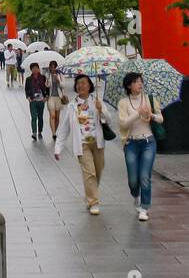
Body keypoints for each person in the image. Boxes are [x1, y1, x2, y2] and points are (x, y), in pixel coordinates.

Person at [53, 74, 109, 214]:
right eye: (78, 83)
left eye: (83, 83)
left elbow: (108, 120)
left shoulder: (97, 101)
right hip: (82, 145)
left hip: (97, 143)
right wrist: (58, 148)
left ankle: (90, 194)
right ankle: (93, 202)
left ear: (90, 86)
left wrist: (101, 110)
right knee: (89, 173)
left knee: (98, 172)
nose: (80, 86)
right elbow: (64, 128)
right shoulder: (72, 106)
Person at [117, 72, 163, 221]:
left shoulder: (150, 99)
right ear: (129, 85)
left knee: (145, 176)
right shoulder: (123, 103)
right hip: (131, 143)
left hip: (148, 142)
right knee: (133, 180)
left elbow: (161, 119)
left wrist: (152, 115)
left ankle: (144, 208)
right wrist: (138, 113)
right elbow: (123, 123)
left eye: (141, 81)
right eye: (136, 82)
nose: (140, 84)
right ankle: (135, 195)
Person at [24, 62, 49, 142]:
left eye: (36, 68)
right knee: (34, 117)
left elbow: (47, 88)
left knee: (40, 117)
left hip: (41, 100)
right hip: (33, 101)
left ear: (38, 68)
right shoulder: (28, 79)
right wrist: (28, 97)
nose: (35, 70)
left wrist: (46, 97)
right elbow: (26, 89)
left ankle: (40, 131)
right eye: (33, 68)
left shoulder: (43, 77)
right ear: (31, 70)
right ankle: (34, 133)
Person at [46, 60, 66, 140]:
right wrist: (47, 80)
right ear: (50, 67)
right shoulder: (48, 74)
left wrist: (58, 80)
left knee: (57, 117)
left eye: (54, 67)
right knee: (52, 116)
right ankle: (53, 133)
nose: (52, 68)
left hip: (59, 97)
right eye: (51, 67)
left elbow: (63, 85)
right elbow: (47, 85)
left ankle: (55, 130)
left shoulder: (60, 74)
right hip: (51, 97)